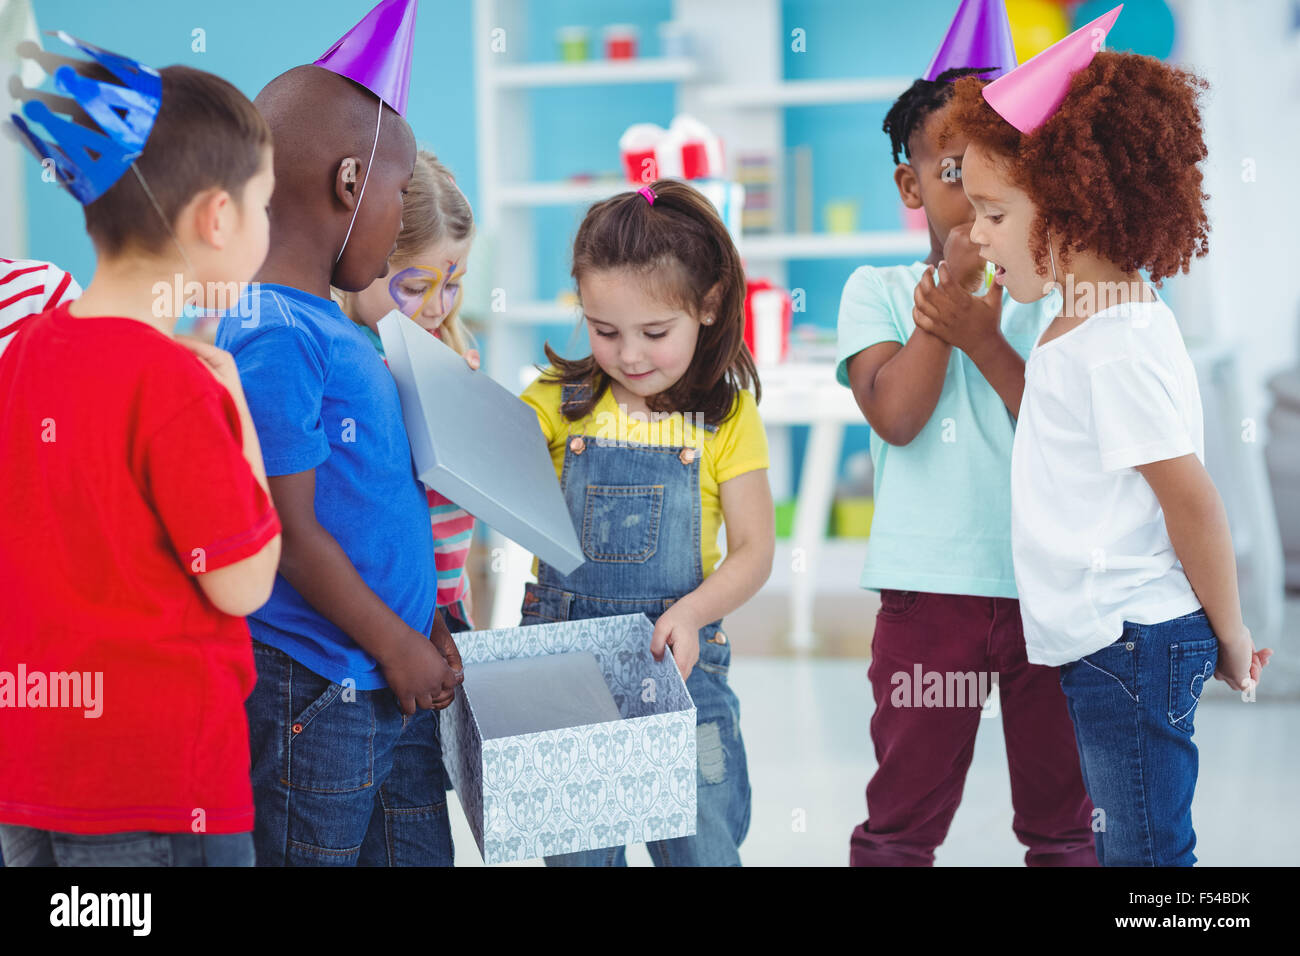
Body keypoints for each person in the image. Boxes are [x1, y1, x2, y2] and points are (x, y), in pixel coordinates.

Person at [943, 33, 1272, 865]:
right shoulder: (1078, 319)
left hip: (1133, 639)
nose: (976, 235)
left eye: (994, 213)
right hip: (1109, 641)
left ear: (1076, 206)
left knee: (1149, 852)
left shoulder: (1115, 340)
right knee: (1132, 840)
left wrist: (1231, 633)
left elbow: (1190, 497)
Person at [0, 42, 280, 867]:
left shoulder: (20, 358)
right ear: (216, 218)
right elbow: (243, 584)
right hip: (162, 792)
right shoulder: (180, 385)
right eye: (263, 206)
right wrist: (239, 418)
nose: (265, 227)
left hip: (30, 777)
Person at [836, 42, 1095, 865]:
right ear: (911, 187)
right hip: (928, 600)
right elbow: (898, 417)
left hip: (1050, 594)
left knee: (1064, 819)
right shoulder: (874, 290)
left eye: (1004, 165)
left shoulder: (1060, 292)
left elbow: (1068, 436)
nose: (979, 191)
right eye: (954, 170)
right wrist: (946, 309)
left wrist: (985, 338)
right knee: (903, 819)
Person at [215, 14, 462, 866]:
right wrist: (394, 642)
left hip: (383, 680)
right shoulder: (274, 332)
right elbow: (289, 532)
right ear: (351, 181)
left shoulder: (327, 324)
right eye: (398, 198)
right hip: (320, 690)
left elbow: (368, 504)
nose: (400, 224)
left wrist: (420, 622)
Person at [520, 180, 774, 867]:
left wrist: (693, 613)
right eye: (605, 331)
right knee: (577, 853)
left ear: (710, 305)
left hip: (683, 673)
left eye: (655, 333)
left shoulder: (726, 418)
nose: (629, 355)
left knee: (703, 845)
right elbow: (495, 471)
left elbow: (753, 551)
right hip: (566, 674)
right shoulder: (554, 402)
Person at [337, 149, 479, 632]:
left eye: (454, 285)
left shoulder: (443, 348)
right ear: (362, 261)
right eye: (417, 287)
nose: (439, 307)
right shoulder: (349, 356)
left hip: (449, 597)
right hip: (387, 606)